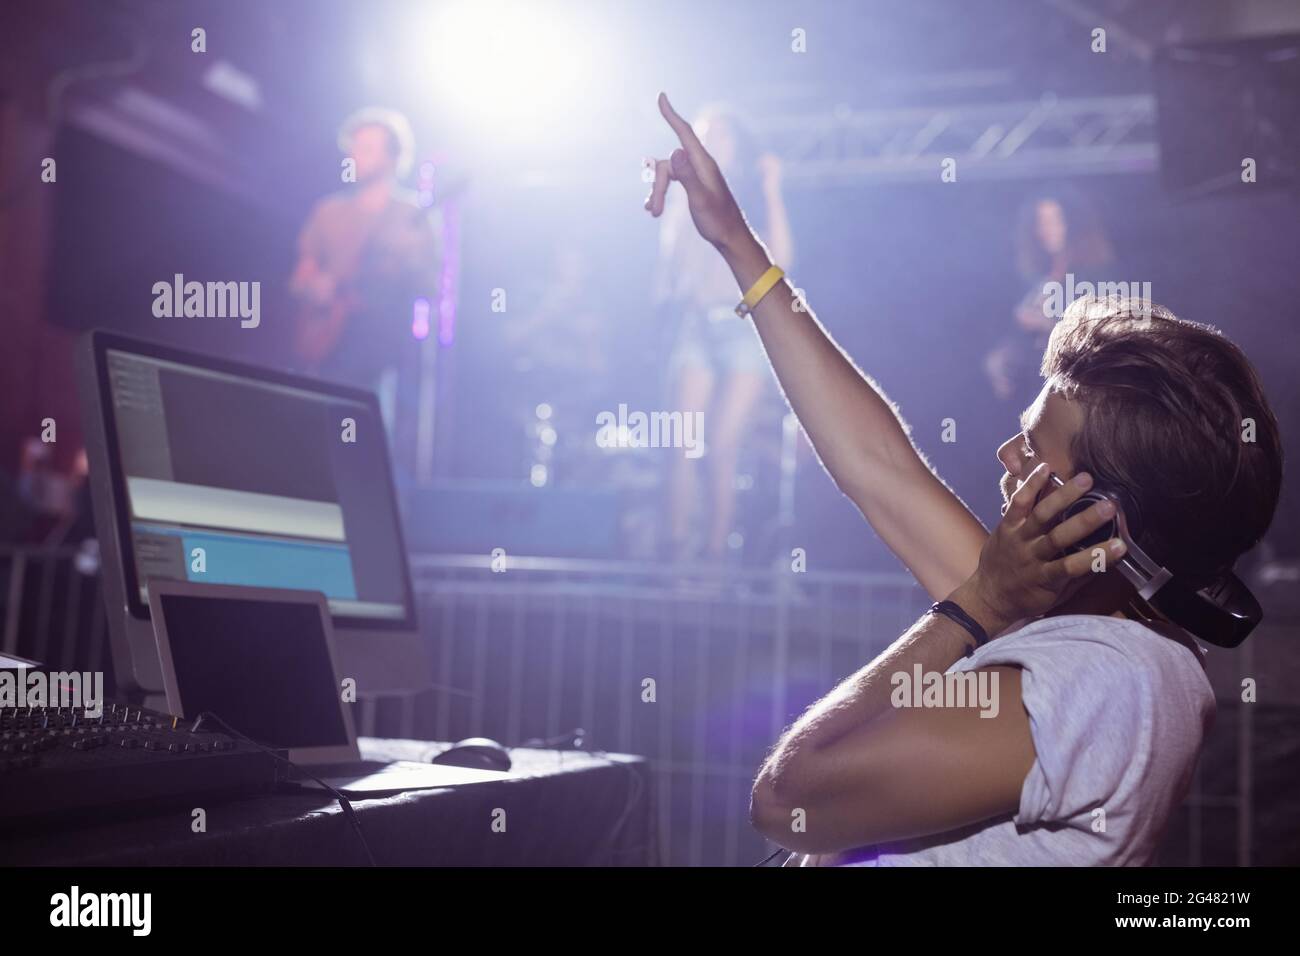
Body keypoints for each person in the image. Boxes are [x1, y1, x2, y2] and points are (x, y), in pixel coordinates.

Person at [643, 93, 1282, 865]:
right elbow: (882, 470)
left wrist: (978, 603)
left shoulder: (1111, 682)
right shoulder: (1088, 624)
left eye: (1037, 451)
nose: (1007, 457)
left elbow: (790, 801)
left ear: (1102, 526)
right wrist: (739, 246)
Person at [652, 106, 794, 562]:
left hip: (741, 328)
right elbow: (670, 272)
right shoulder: (688, 196)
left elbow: (782, 261)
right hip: (697, 327)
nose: (709, 143)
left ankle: (714, 563)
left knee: (722, 446)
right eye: (703, 135)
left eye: (718, 136)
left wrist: (772, 188)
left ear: (735, 146)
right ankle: (676, 557)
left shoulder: (749, 195)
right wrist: (672, 198)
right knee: (682, 442)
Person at [289, 107, 440, 427]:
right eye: (354, 148)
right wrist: (315, 287)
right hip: (326, 339)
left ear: (392, 157)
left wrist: (407, 264)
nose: (356, 156)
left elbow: (430, 286)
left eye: (367, 149)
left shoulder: (411, 216)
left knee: (364, 429)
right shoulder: (329, 211)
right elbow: (301, 275)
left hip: (378, 348)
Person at [985, 190, 1114, 402]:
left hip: (1075, 392)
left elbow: (1103, 342)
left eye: (1054, 221)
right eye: (1040, 222)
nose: (1045, 230)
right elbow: (1020, 335)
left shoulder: (1096, 276)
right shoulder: (1035, 274)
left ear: (1074, 224)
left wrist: (1049, 325)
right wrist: (1000, 356)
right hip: (1033, 385)